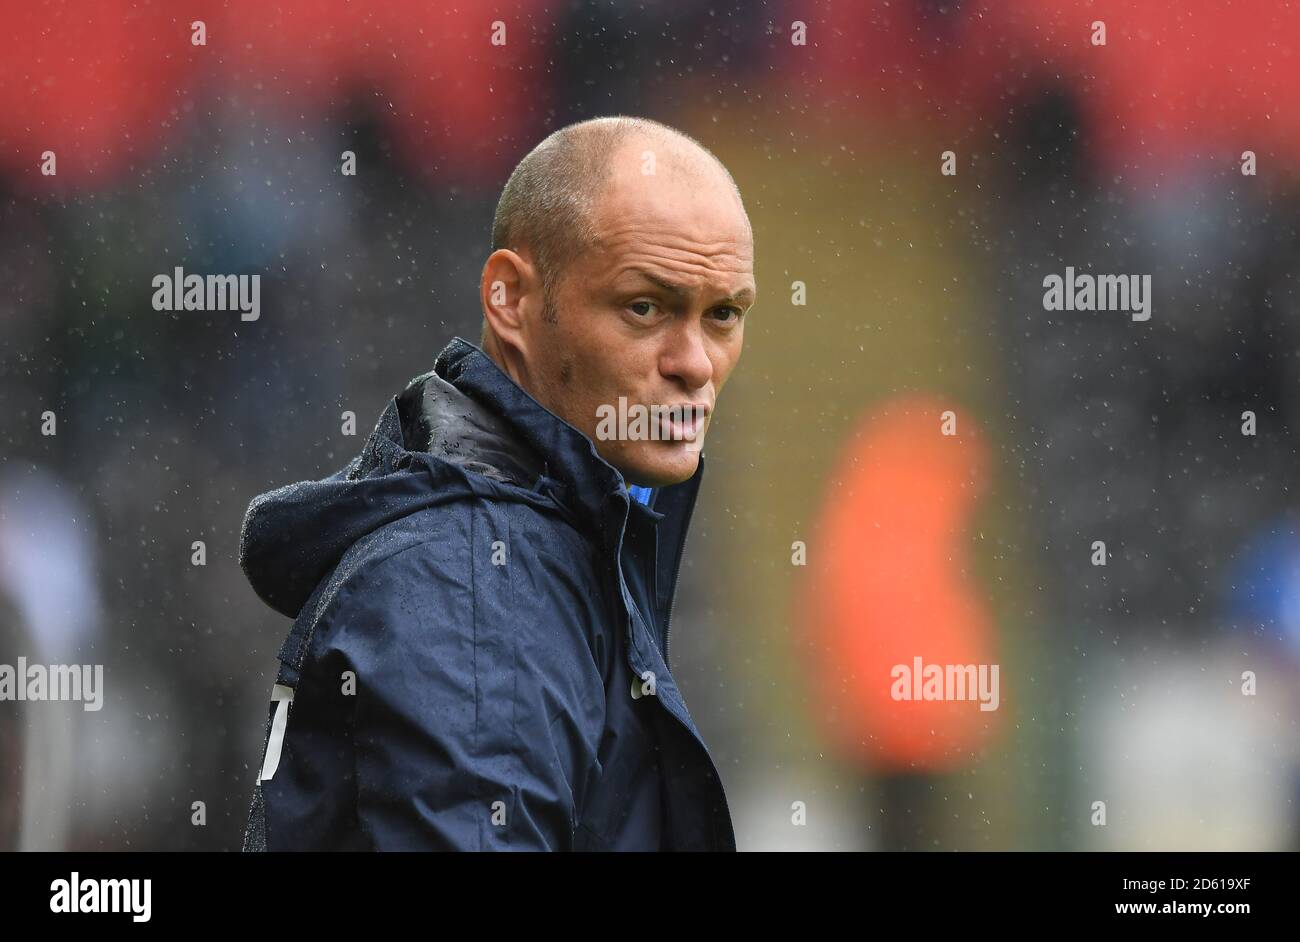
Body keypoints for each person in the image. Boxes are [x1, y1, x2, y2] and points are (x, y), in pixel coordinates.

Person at [239, 115, 757, 850]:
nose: (697, 363)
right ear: (509, 299)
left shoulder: (528, 547)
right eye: (645, 306)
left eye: (724, 315)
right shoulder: (476, 584)